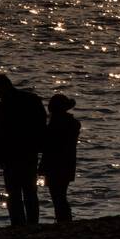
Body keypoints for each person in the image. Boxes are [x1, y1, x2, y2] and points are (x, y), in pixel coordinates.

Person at [0, 74, 47, 225]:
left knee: (14, 191)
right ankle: (32, 222)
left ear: (4, 87)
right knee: (29, 191)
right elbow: (42, 124)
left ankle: (18, 223)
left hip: (12, 153)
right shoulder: (31, 99)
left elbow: (0, 132)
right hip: (29, 151)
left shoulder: (3, 106)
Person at [40, 93, 81, 222]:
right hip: (67, 163)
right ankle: (64, 219)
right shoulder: (71, 123)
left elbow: (48, 146)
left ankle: (63, 219)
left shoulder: (56, 124)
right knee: (60, 194)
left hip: (55, 164)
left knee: (57, 195)